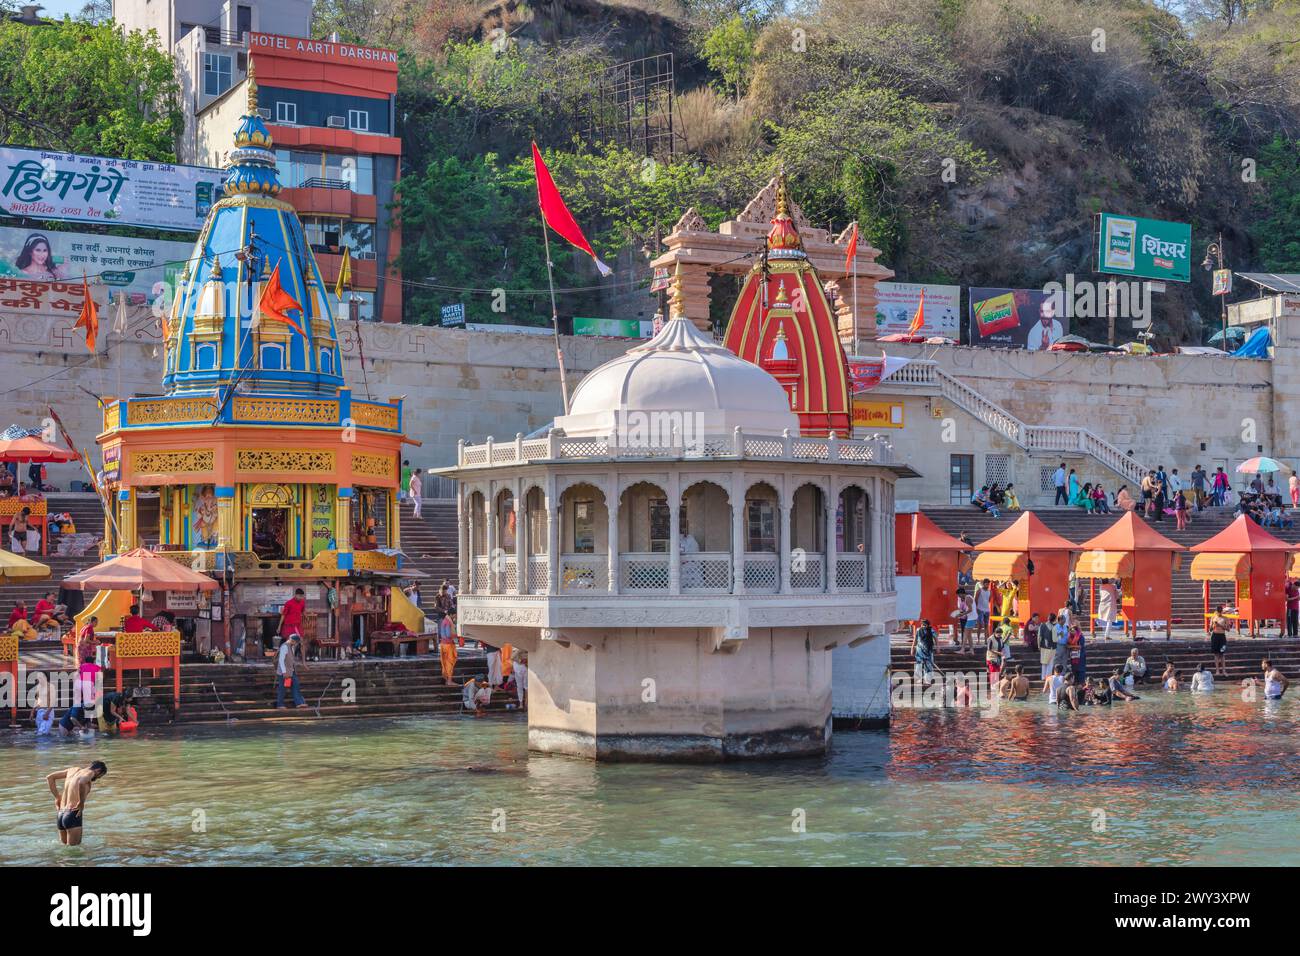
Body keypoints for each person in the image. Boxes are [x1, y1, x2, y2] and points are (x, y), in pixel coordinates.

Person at [46, 761, 107, 847]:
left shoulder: (73, 770)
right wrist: (81, 803)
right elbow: (82, 782)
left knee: (64, 849)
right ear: (98, 770)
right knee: (74, 853)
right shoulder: (90, 772)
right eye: (99, 777)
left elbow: (50, 777)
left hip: (61, 813)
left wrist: (57, 797)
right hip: (73, 813)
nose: (96, 779)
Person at [275, 633, 307, 708]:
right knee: (282, 688)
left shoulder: (292, 647)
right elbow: (281, 660)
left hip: (291, 671)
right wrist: (284, 672)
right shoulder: (284, 647)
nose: (296, 644)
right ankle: (280, 704)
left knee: (295, 685)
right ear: (292, 641)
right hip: (284, 672)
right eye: (296, 642)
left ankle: (299, 703)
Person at [911, 619, 938, 685]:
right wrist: (912, 648)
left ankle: (927, 680)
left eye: (924, 625)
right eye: (923, 625)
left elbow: (936, 639)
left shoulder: (931, 630)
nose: (923, 626)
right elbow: (915, 640)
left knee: (928, 665)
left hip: (928, 650)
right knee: (919, 665)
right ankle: (919, 679)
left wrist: (938, 647)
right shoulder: (918, 630)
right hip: (919, 650)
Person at [1209, 604, 1230, 678]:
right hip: (1214, 636)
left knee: (1222, 654)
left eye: (1220, 612)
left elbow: (1228, 629)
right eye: (1218, 612)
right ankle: (1217, 670)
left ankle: (1224, 670)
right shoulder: (1213, 617)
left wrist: (1220, 625)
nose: (1219, 613)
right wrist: (1213, 626)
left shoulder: (1225, 618)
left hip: (1222, 637)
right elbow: (1210, 629)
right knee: (1216, 654)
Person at [438, 614, 458, 686]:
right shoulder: (448, 622)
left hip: (443, 644)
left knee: (444, 663)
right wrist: (457, 635)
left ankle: (446, 680)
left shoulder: (444, 621)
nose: (455, 617)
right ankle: (449, 681)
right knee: (450, 663)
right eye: (455, 615)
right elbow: (448, 635)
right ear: (451, 615)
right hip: (448, 645)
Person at [953, 587, 973, 652]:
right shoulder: (960, 600)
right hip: (963, 617)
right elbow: (960, 608)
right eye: (958, 595)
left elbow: (969, 609)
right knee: (963, 631)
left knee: (967, 632)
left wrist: (962, 613)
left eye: (959, 594)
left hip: (968, 617)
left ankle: (965, 646)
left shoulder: (968, 598)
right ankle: (964, 645)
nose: (958, 596)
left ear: (962, 594)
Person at [1038, 612, 1057, 679]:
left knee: (1044, 662)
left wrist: (1038, 645)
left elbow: (1039, 637)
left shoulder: (1042, 625)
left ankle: (1043, 677)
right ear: (1054, 619)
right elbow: (1056, 638)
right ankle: (1048, 677)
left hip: (1044, 646)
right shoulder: (1055, 627)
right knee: (1050, 663)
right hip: (1053, 647)